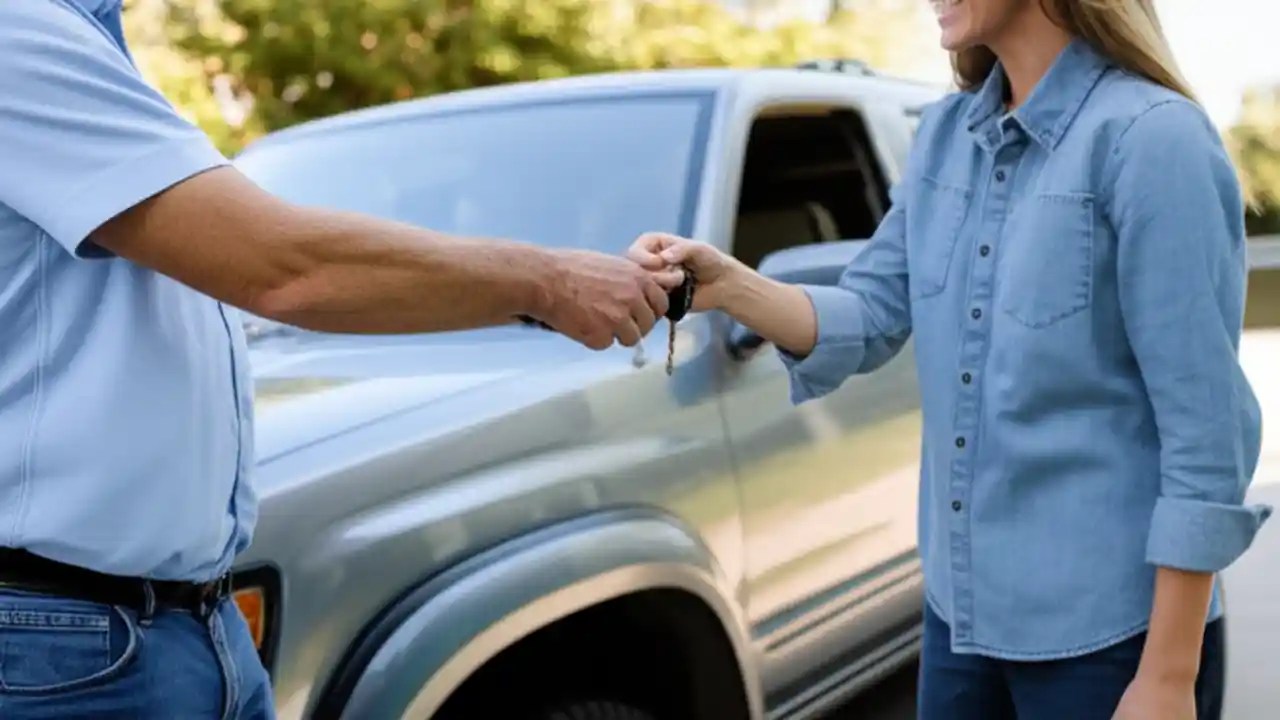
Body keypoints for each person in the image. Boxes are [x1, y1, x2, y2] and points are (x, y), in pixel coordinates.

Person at [0, 1, 682, 718]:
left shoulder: (86, 43)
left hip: (182, 626)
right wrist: (552, 283)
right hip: (71, 644)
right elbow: (282, 265)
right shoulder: (18, 33)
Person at [630, 1, 1269, 718]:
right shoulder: (943, 137)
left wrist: (1169, 675)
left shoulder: (1153, 140)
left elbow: (1207, 433)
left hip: (1112, 639)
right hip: (960, 624)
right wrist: (730, 284)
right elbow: (870, 312)